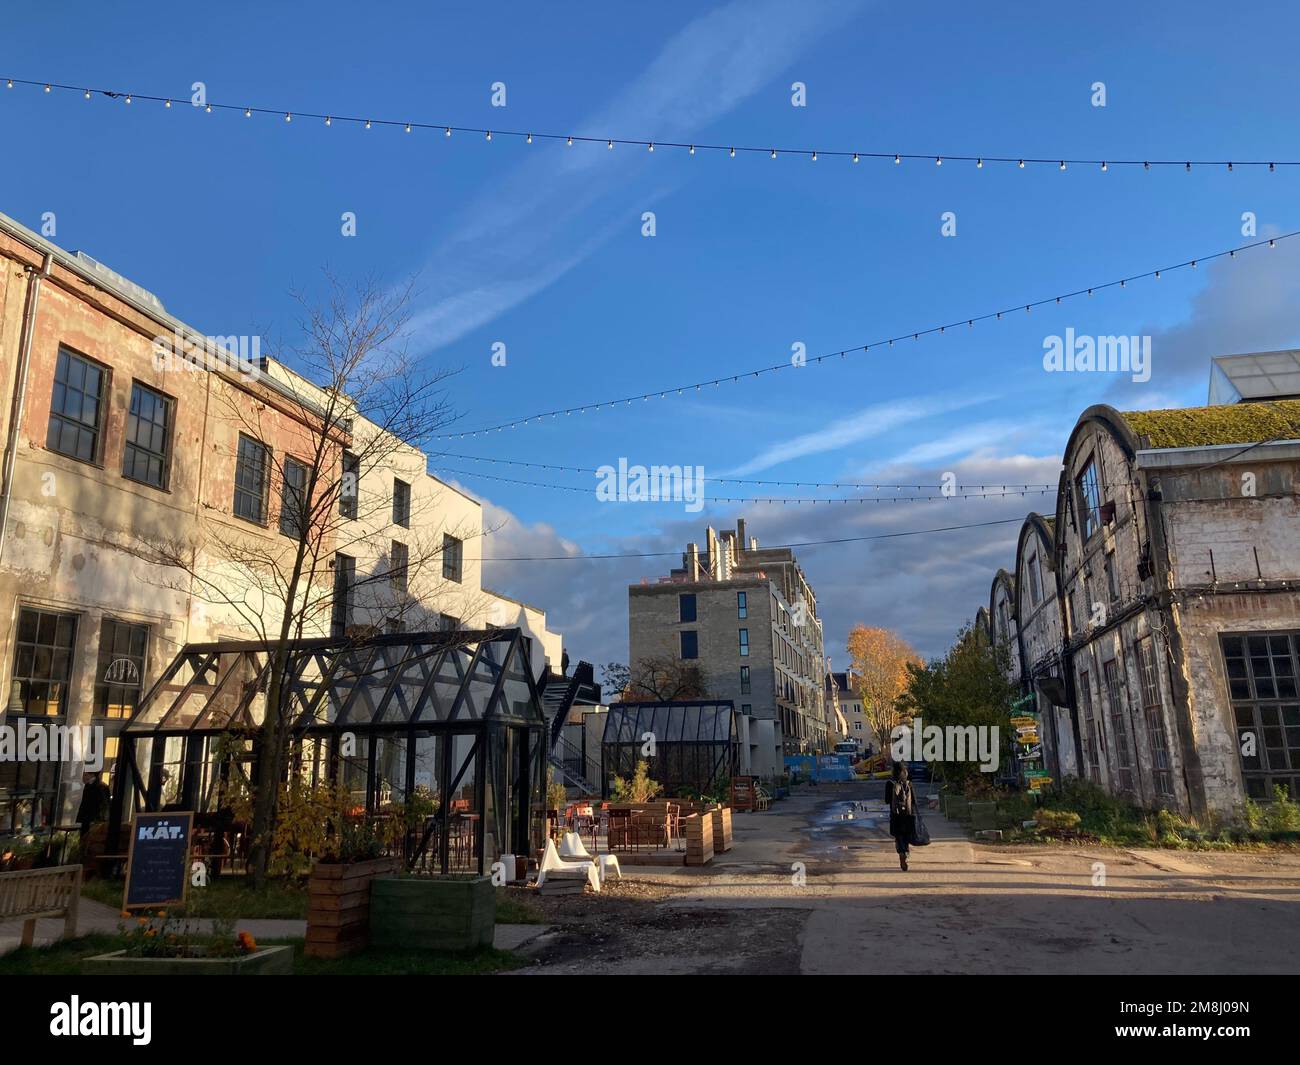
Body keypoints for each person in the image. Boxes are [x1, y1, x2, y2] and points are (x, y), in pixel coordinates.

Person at [885, 761, 916, 871]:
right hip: (908, 814)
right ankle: (906, 852)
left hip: (895, 815)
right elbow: (914, 801)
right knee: (906, 835)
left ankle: (901, 853)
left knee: (898, 837)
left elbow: (887, 800)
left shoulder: (890, 783)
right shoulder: (908, 783)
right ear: (904, 771)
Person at [76, 770, 111, 847]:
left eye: (84, 774)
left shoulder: (101, 786)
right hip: (87, 819)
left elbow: (104, 805)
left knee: (91, 842)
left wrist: (100, 819)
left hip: (94, 820)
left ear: (90, 775)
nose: (82, 777)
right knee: (84, 841)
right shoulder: (89, 785)